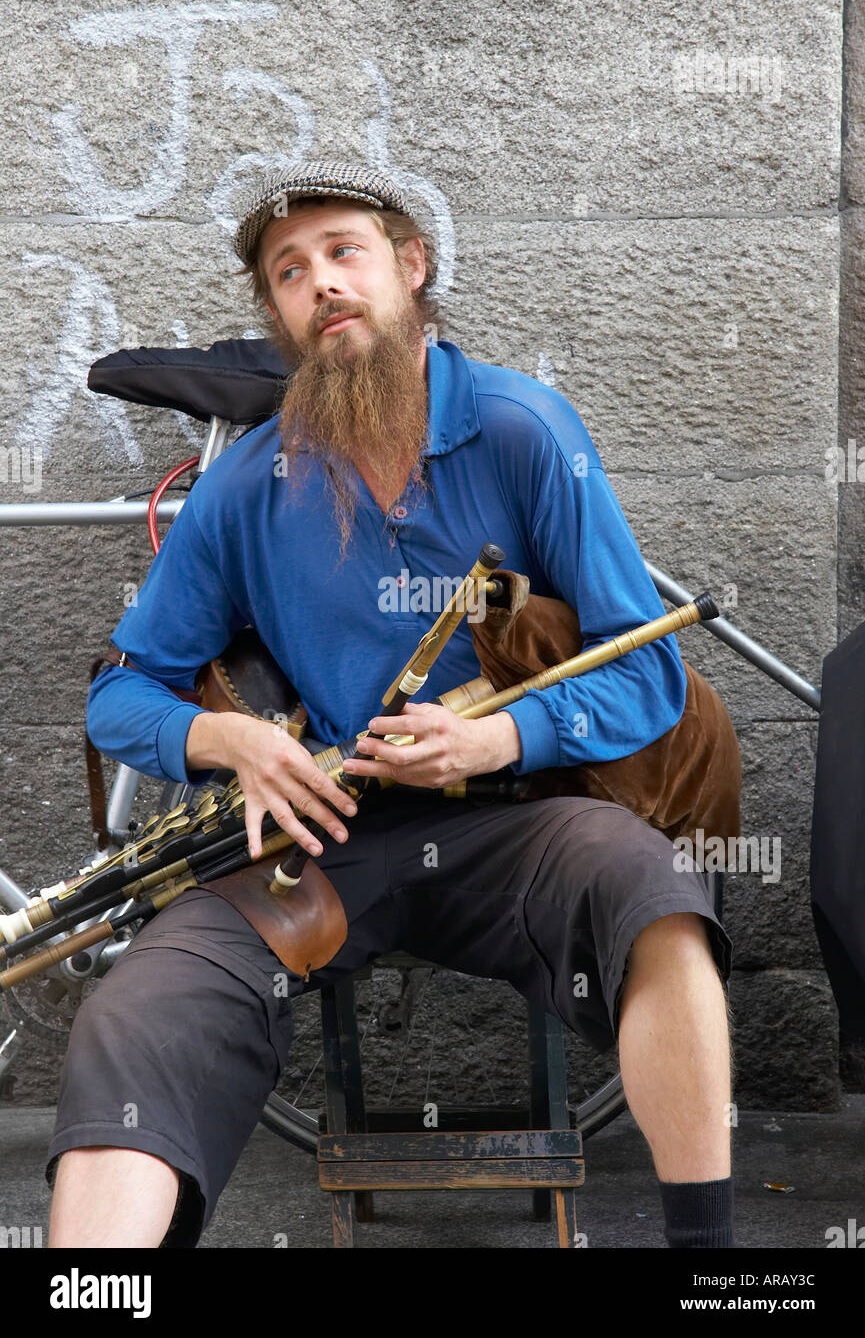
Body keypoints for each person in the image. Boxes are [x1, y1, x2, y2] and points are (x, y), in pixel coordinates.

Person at [45, 161, 735, 1249]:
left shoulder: (522, 428)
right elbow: (121, 695)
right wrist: (228, 739)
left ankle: (711, 1262)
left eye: (344, 251)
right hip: (319, 839)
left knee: (655, 901)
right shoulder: (244, 487)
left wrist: (498, 732)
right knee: (141, 1010)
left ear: (410, 267)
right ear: (274, 311)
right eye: (288, 270)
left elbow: (646, 667)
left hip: (525, 819)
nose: (320, 282)